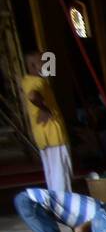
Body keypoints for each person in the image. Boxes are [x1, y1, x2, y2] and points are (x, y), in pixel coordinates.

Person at [22, 52, 73, 194]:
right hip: (54, 134)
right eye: (43, 62)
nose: (48, 65)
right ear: (33, 65)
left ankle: (56, 206)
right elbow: (33, 96)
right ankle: (64, 209)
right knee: (61, 176)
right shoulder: (39, 82)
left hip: (42, 136)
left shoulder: (26, 80)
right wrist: (44, 109)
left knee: (53, 176)